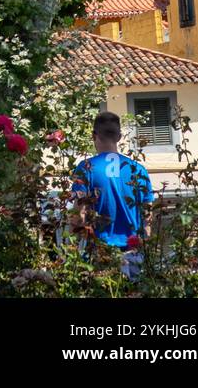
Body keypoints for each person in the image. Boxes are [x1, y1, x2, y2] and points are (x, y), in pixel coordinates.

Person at [70, 111, 153, 273]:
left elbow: (79, 215)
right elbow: (147, 216)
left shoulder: (86, 168)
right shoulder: (139, 170)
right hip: (132, 253)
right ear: (119, 137)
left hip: (99, 253)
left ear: (94, 135)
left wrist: (71, 247)